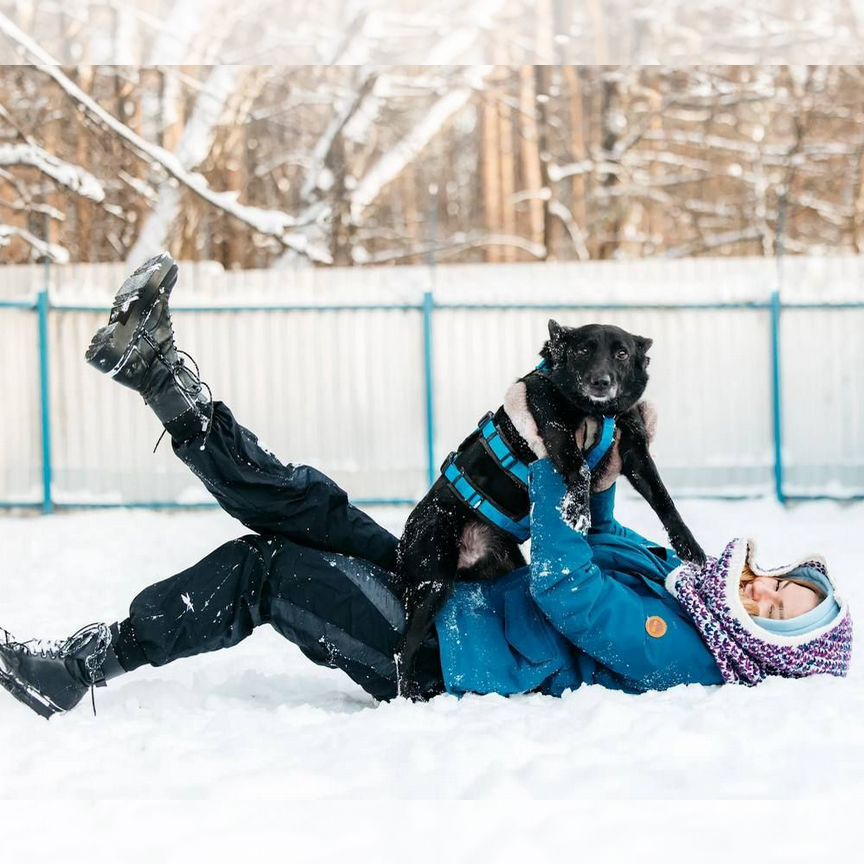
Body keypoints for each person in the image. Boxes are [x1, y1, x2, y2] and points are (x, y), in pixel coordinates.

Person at [0, 255, 853, 719]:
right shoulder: (692, 589)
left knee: (266, 569)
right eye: (788, 582)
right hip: (456, 590)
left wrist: (559, 461)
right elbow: (591, 542)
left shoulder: (689, 650)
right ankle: (162, 382)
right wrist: (604, 472)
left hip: (445, 654)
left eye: (780, 608)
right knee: (312, 505)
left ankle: (83, 664)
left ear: (772, 650)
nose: (768, 588)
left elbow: (567, 589)